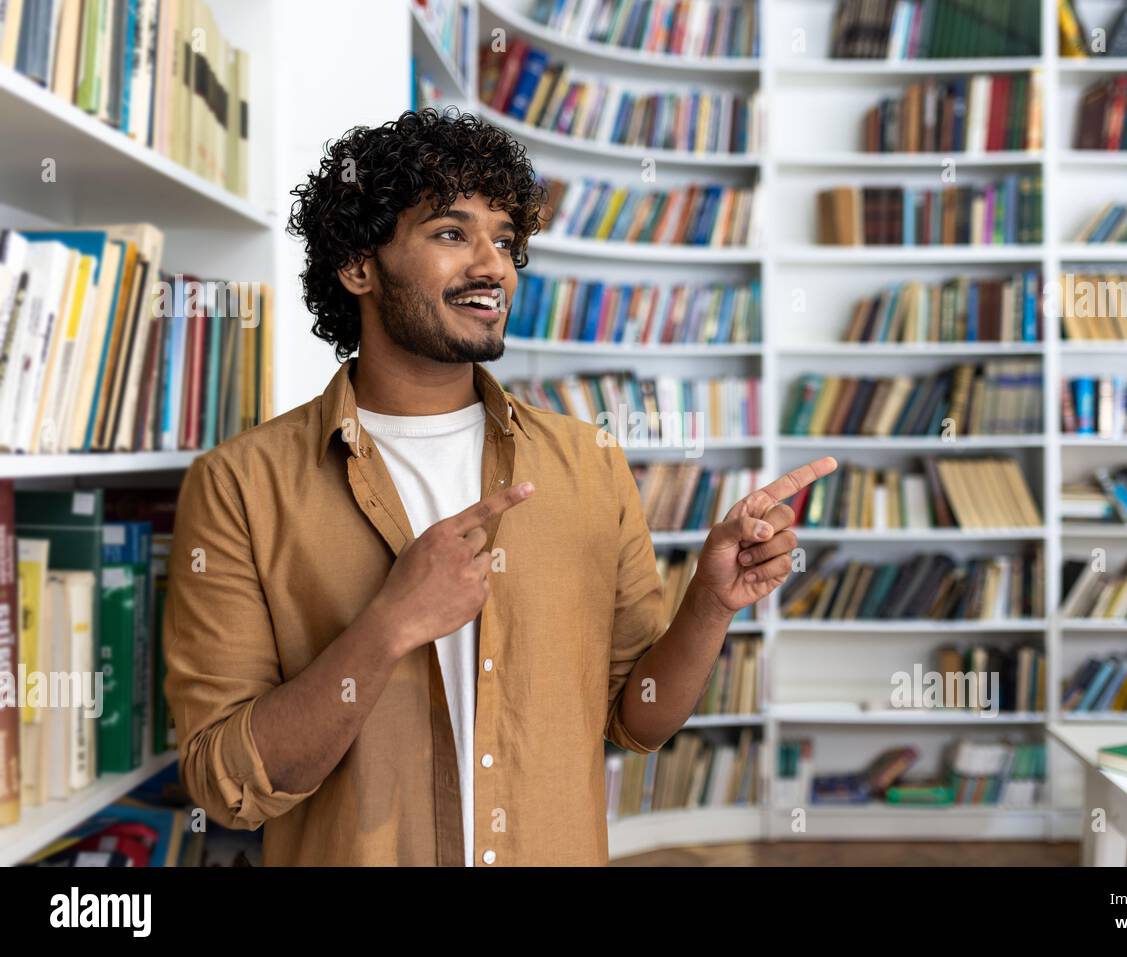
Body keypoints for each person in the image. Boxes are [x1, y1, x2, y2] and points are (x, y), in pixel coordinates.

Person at [163, 106, 836, 866]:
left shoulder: (589, 462)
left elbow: (640, 719)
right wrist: (389, 624)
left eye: (506, 241)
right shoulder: (240, 485)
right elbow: (224, 782)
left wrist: (711, 603)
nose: (494, 266)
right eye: (452, 233)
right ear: (358, 266)